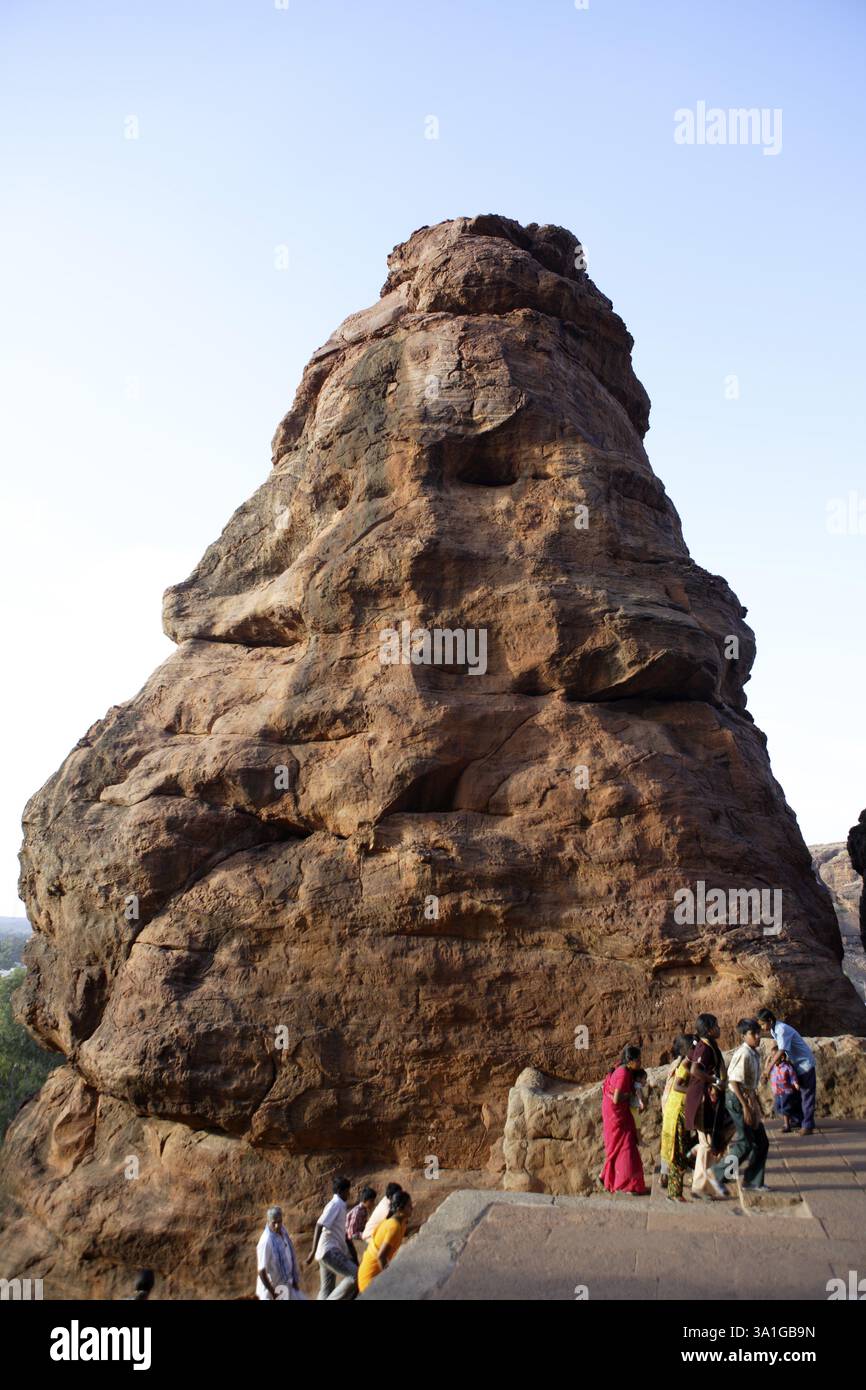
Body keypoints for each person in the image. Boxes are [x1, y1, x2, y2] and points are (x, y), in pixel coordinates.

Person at [714, 1018, 770, 1193]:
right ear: (744, 1036)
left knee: (761, 1141)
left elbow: (750, 1086)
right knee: (745, 1143)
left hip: (746, 1098)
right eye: (753, 1033)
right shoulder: (744, 1053)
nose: (757, 1036)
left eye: (758, 1032)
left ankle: (752, 1180)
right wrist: (746, 1107)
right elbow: (734, 1082)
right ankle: (716, 1176)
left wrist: (755, 1106)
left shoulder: (754, 1053)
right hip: (737, 1099)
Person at [685, 1014, 730, 1200]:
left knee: (709, 1143)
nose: (719, 1028)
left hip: (705, 1099)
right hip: (702, 1101)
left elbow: (688, 1061)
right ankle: (699, 1187)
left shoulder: (702, 1044)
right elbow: (694, 1069)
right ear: (709, 1029)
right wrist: (714, 1080)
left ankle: (704, 1183)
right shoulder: (704, 1047)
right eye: (716, 1025)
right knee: (706, 1145)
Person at [758, 1009, 817, 1135]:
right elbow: (777, 1048)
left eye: (763, 1024)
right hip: (797, 1064)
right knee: (794, 1096)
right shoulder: (774, 1030)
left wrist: (768, 1069)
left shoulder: (781, 1029)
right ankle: (798, 1120)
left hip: (805, 1064)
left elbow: (781, 1051)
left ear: (770, 1020)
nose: (762, 1028)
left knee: (807, 1095)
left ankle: (808, 1125)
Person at [600, 1045, 648, 1195]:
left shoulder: (622, 1069)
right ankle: (627, 1185)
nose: (640, 1062)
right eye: (638, 1060)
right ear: (630, 1060)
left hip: (616, 1113)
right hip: (616, 1115)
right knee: (626, 1147)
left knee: (619, 1147)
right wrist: (631, 1094)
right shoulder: (623, 1074)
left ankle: (607, 1177)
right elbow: (616, 1098)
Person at [307, 1176, 357, 1300]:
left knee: (327, 1288)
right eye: (347, 1191)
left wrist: (351, 1255)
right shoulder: (335, 1204)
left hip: (325, 1252)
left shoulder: (340, 1205)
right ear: (341, 1191)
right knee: (356, 1275)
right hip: (329, 1251)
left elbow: (341, 1233)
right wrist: (312, 1251)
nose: (348, 1194)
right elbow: (319, 1224)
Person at [357, 1191, 413, 1294]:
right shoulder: (394, 1227)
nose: (412, 1208)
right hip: (369, 1277)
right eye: (409, 1206)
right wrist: (389, 1280)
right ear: (400, 1209)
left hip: (373, 1273)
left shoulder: (402, 1222)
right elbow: (381, 1257)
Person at [660, 1037, 693, 1202]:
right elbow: (678, 1085)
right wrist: (695, 1090)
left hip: (672, 1111)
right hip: (676, 1114)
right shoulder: (684, 1066)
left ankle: (673, 1189)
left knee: (678, 1153)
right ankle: (674, 1193)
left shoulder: (680, 1063)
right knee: (677, 1154)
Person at [256, 1206, 305, 1300]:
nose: (277, 1225)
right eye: (274, 1223)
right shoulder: (266, 1241)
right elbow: (261, 1271)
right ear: (268, 1222)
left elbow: (290, 1253)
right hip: (273, 1290)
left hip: (285, 1285)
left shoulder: (283, 1231)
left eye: (279, 1222)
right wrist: (273, 1293)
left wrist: (294, 1279)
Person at [770, 1050, 803, 1132]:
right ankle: (796, 1120)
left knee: (785, 1108)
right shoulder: (774, 1067)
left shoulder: (787, 1067)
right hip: (777, 1092)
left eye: (775, 1057)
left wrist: (795, 1084)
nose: (772, 1059)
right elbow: (767, 1070)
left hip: (786, 1091)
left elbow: (792, 1076)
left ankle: (787, 1125)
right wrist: (769, 1059)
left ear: (782, 1057)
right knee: (778, 1108)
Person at [346, 1185, 376, 1261]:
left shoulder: (364, 1210)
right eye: (371, 1201)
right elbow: (351, 1234)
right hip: (347, 1243)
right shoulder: (357, 1212)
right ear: (365, 1200)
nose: (373, 1203)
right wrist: (366, 1234)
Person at [630, 1068, 648, 1133]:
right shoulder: (638, 1085)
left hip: (632, 1108)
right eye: (644, 1079)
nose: (646, 1081)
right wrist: (641, 1101)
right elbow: (638, 1092)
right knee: (637, 1124)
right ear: (638, 1078)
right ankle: (639, 1139)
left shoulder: (634, 1084)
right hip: (632, 1109)